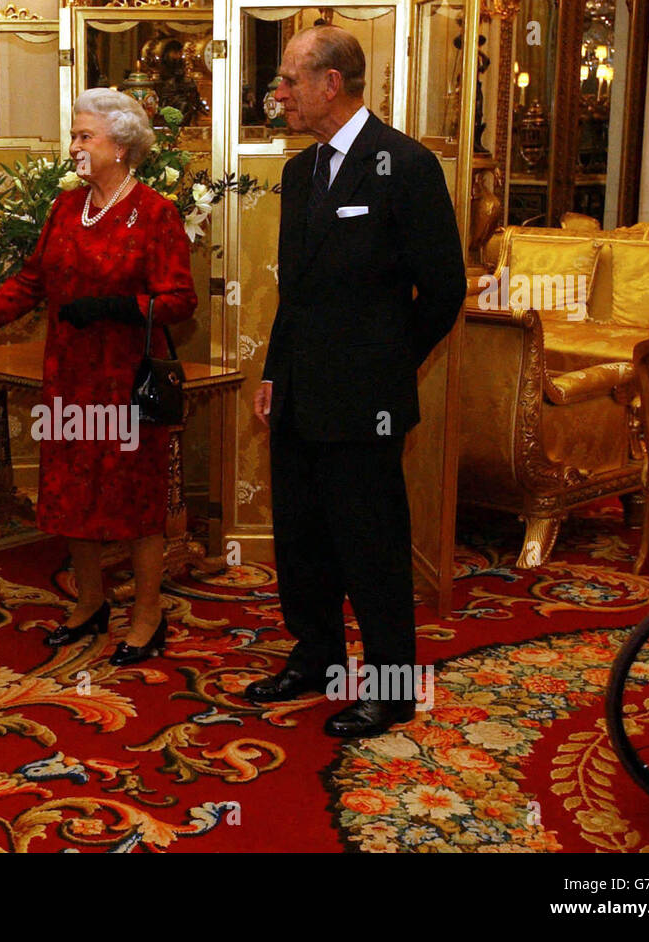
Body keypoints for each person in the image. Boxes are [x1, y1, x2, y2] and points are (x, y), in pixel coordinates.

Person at [246, 26, 466, 737]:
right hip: (300, 395)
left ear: (329, 84)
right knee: (302, 540)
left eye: (288, 80)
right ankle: (316, 659)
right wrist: (275, 373)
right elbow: (296, 294)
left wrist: (385, 368)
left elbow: (443, 290)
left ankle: (393, 687)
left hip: (366, 405)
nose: (278, 94)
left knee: (370, 548)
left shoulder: (406, 165)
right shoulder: (299, 172)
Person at [0, 88, 196, 665]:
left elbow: (179, 299)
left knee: (136, 500)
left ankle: (147, 615)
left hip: (126, 383)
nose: (72, 146)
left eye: (84, 136)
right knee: (73, 494)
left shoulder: (154, 212)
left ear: (121, 145)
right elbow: (29, 283)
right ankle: (90, 604)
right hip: (69, 379)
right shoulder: (65, 209)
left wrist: (115, 307)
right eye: (73, 135)